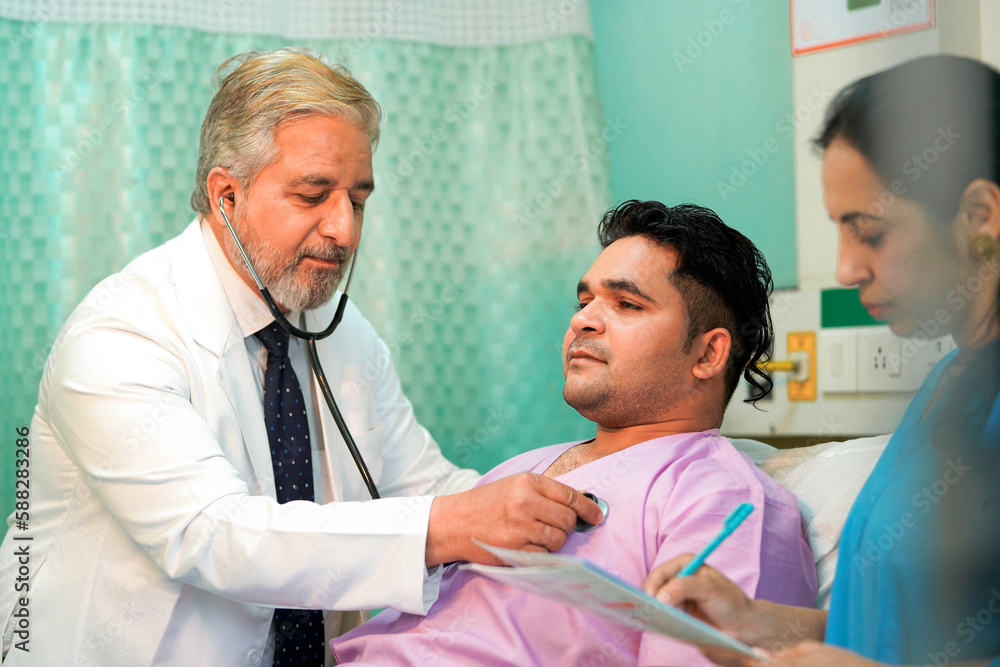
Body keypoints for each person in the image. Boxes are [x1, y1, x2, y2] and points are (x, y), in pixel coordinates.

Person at [0, 48, 602, 666]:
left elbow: (430, 486)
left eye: (358, 199)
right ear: (226, 195)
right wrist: (445, 525)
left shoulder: (341, 332)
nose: (343, 229)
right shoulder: (121, 334)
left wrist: (588, 510)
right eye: (313, 195)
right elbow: (213, 534)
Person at [331, 200, 818, 666]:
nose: (582, 320)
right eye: (585, 300)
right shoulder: (522, 470)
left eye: (627, 304)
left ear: (709, 354)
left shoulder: (724, 499)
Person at [643, 55, 1000, 667]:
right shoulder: (950, 383)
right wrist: (754, 622)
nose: (846, 269)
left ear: (978, 217)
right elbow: (893, 628)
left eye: (872, 232)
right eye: (839, 229)